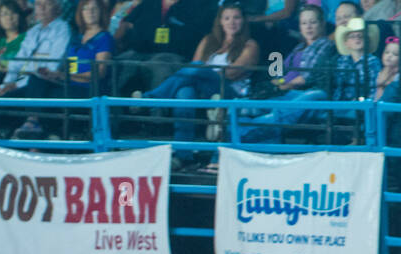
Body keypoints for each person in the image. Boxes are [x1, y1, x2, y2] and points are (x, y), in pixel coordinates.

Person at [139, 1, 258, 145]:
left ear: (243, 21)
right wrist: (202, 74)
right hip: (205, 90)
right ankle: (183, 153)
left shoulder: (250, 45)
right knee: (184, 93)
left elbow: (231, 73)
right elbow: (191, 70)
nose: (231, 22)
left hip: (231, 92)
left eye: (236, 18)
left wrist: (205, 73)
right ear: (220, 21)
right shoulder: (209, 40)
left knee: (198, 68)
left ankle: (152, 98)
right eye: (227, 18)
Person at [239, 3, 333, 142]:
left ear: (322, 23)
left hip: (305, 93)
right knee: (245, 109)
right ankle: (236, 141)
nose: (308, 27)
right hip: (286, 92)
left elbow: (306, 78)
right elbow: (280, 74)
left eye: (313, 22)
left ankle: (244, 134)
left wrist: (282, 85)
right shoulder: (298, 48)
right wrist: (279, 84)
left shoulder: (326, 47)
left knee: (284, 110)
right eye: (304, 23)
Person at [0, 0, 70, 138]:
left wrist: (16, 84)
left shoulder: (63, 29)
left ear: (57, 7)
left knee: (35, 80)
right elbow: (17, 62)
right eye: (38, 4)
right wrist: (6, 84)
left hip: (47, 82)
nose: (41, 8)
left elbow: (50, 68)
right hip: (24, 82)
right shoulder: (33, 31)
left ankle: (32, 123)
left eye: (46, 4)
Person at [112, 0, 215, 94]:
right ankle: (113, 109)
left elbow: (207, 36)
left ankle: (155, 109)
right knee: (117, 63)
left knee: (160, 68)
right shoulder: (149, 3)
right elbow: (127, 23)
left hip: (173, 57)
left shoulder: (197, 5)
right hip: (140, 53)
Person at [64, 0, 113, 96]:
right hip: (69, 84)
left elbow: (100, 72)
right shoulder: (76, 37)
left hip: (89, 89)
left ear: (101, 11)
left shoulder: (105, 38)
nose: (90, 12)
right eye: (85, 9)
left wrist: (68, 76)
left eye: (94, 8)